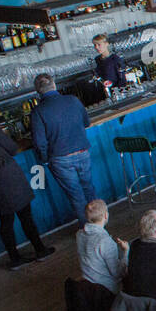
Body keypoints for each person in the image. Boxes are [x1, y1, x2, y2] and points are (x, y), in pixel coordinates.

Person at [0, 116, 54, 269]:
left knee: (6, 221)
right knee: (25, 215)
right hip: (8, 175)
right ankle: (40, 249)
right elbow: (13, 149)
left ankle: (15, 259)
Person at [30, 73, 95, 224]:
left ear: (37, 91)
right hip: (82, 151)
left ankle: (89, 230)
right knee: (89, 190)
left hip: (60, 158)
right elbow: (87, 122)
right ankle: (99, 225)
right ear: (54, 85)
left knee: (76, 196)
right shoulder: (73, 100)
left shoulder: (38, 112)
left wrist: (46, 159)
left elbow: (40, 142)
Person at [77, 199, 127, 294]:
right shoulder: (105, 241)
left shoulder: (79, 235)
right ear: (106, 215)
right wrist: (125, 252)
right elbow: (118, 273)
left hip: (88, 285)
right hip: (107, 289)